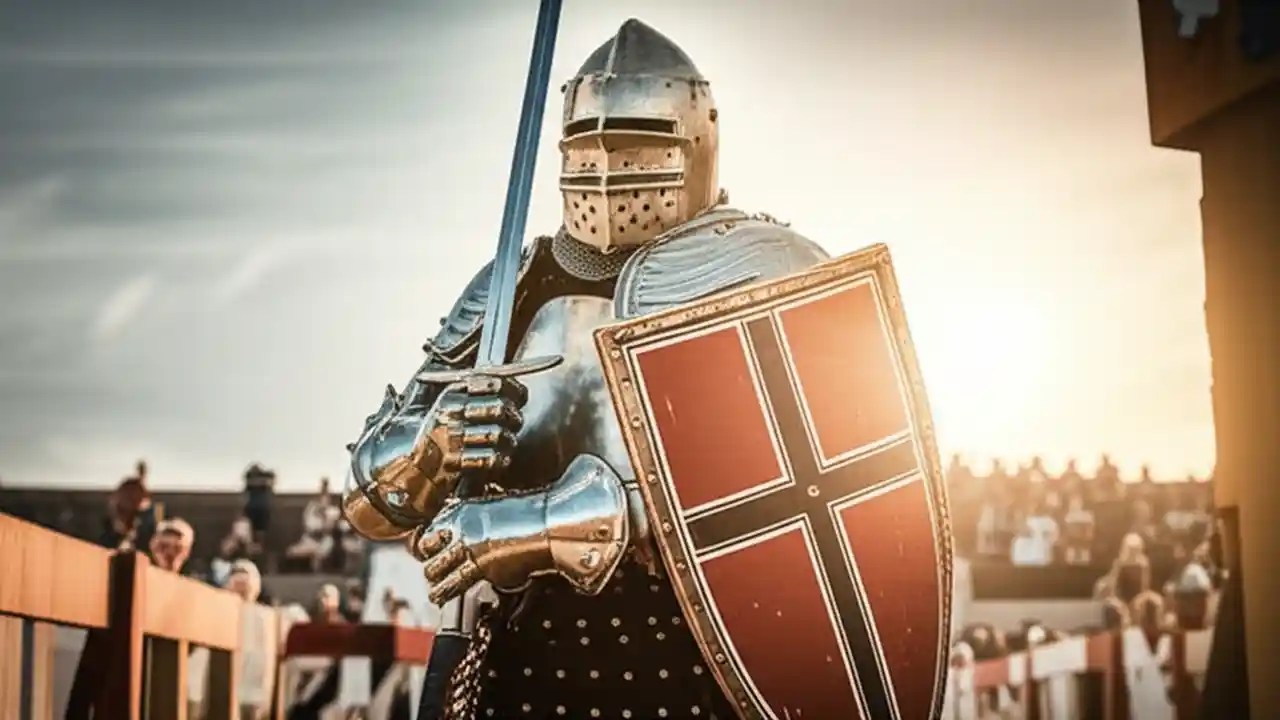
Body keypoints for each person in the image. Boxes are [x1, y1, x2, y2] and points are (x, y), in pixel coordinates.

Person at [342, 18, 834, 719]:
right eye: (588, 142)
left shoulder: (763, 269)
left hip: (707, 660)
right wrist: (431, 452)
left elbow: (798, 484)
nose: (609, 167)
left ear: (696, 142)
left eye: (639, 142)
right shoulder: (511, 281)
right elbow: (368, 503)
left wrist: (535, 525)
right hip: (525, 655)